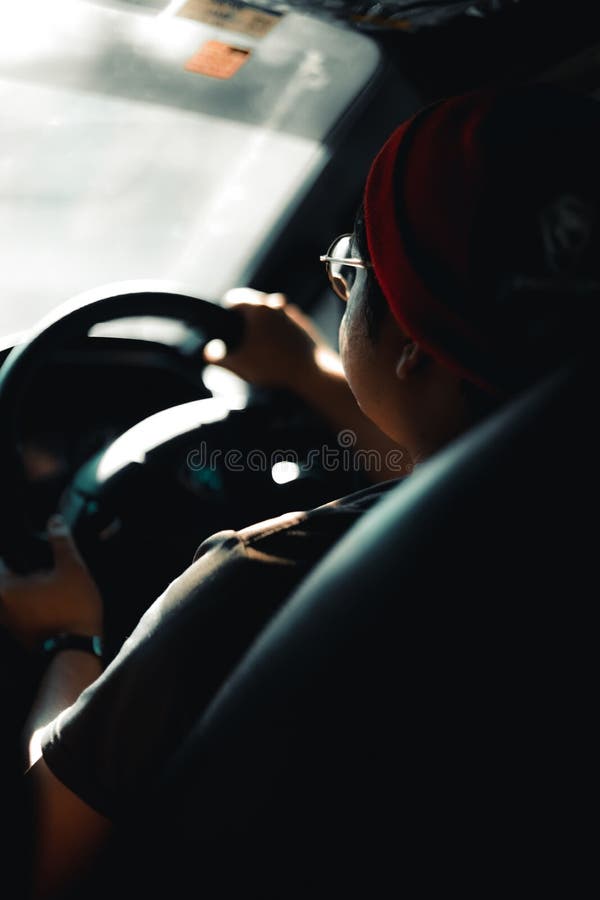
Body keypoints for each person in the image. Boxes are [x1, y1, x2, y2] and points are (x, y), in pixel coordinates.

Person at [1, 82, 599, 899]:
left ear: (414, 347)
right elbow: (463, 472)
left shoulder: (269, 576)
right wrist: (309, 373)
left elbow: (39, 863)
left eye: (351, 274)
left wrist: (70, 637)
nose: (341, 289)